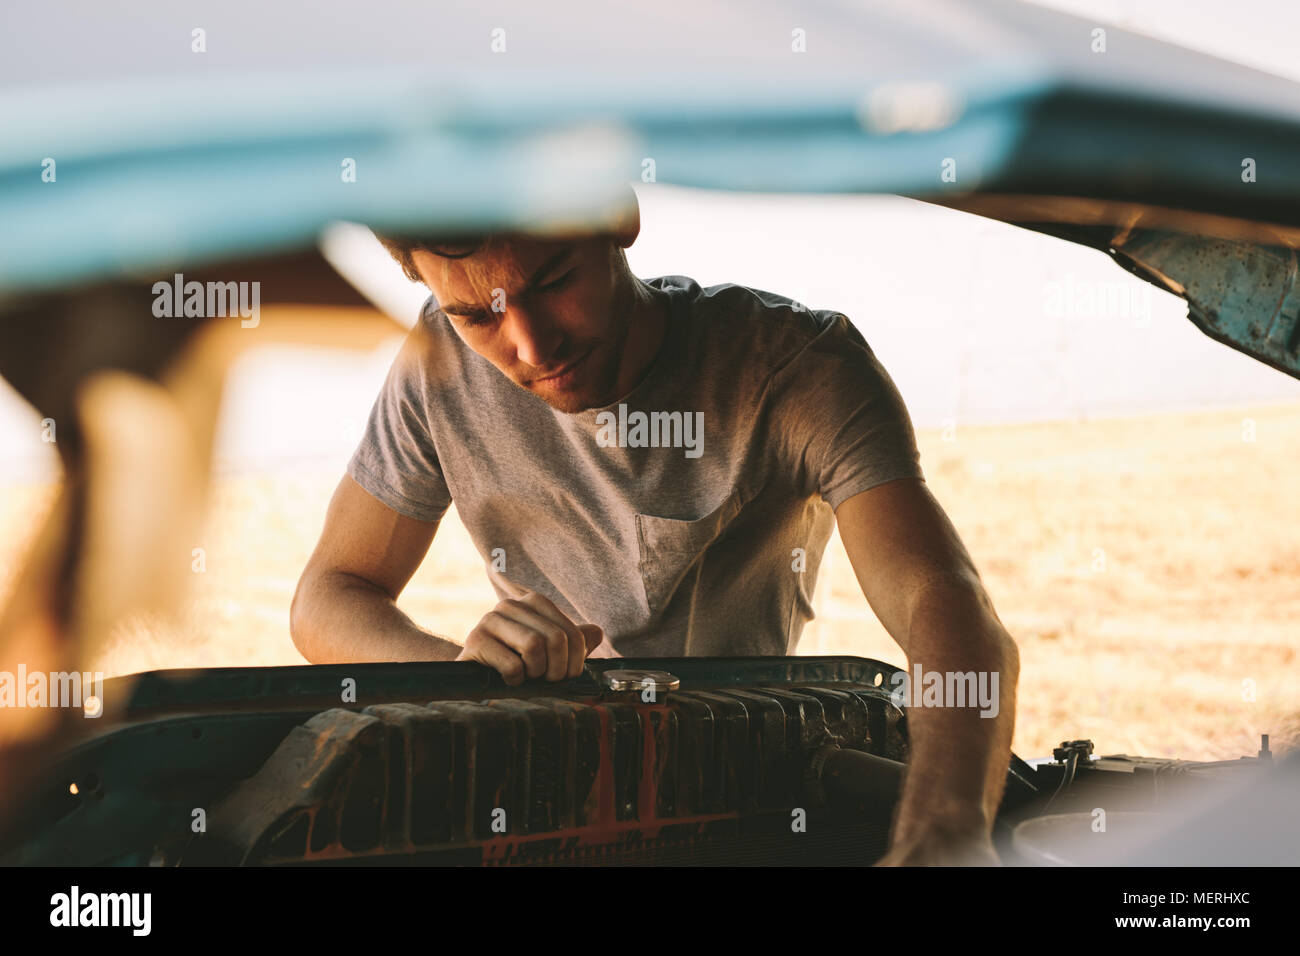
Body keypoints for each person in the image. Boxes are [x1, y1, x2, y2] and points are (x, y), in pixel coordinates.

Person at [290, 192, 1019, 864]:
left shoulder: (800, 370)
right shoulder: (435, 370)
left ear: (618, 216)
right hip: (545, 792)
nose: (533, 346)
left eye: (551, 282)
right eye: (477, 316)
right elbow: (328, 597)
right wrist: (458, 677)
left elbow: (943, 603)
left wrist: (945, 830)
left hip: (744, 781)